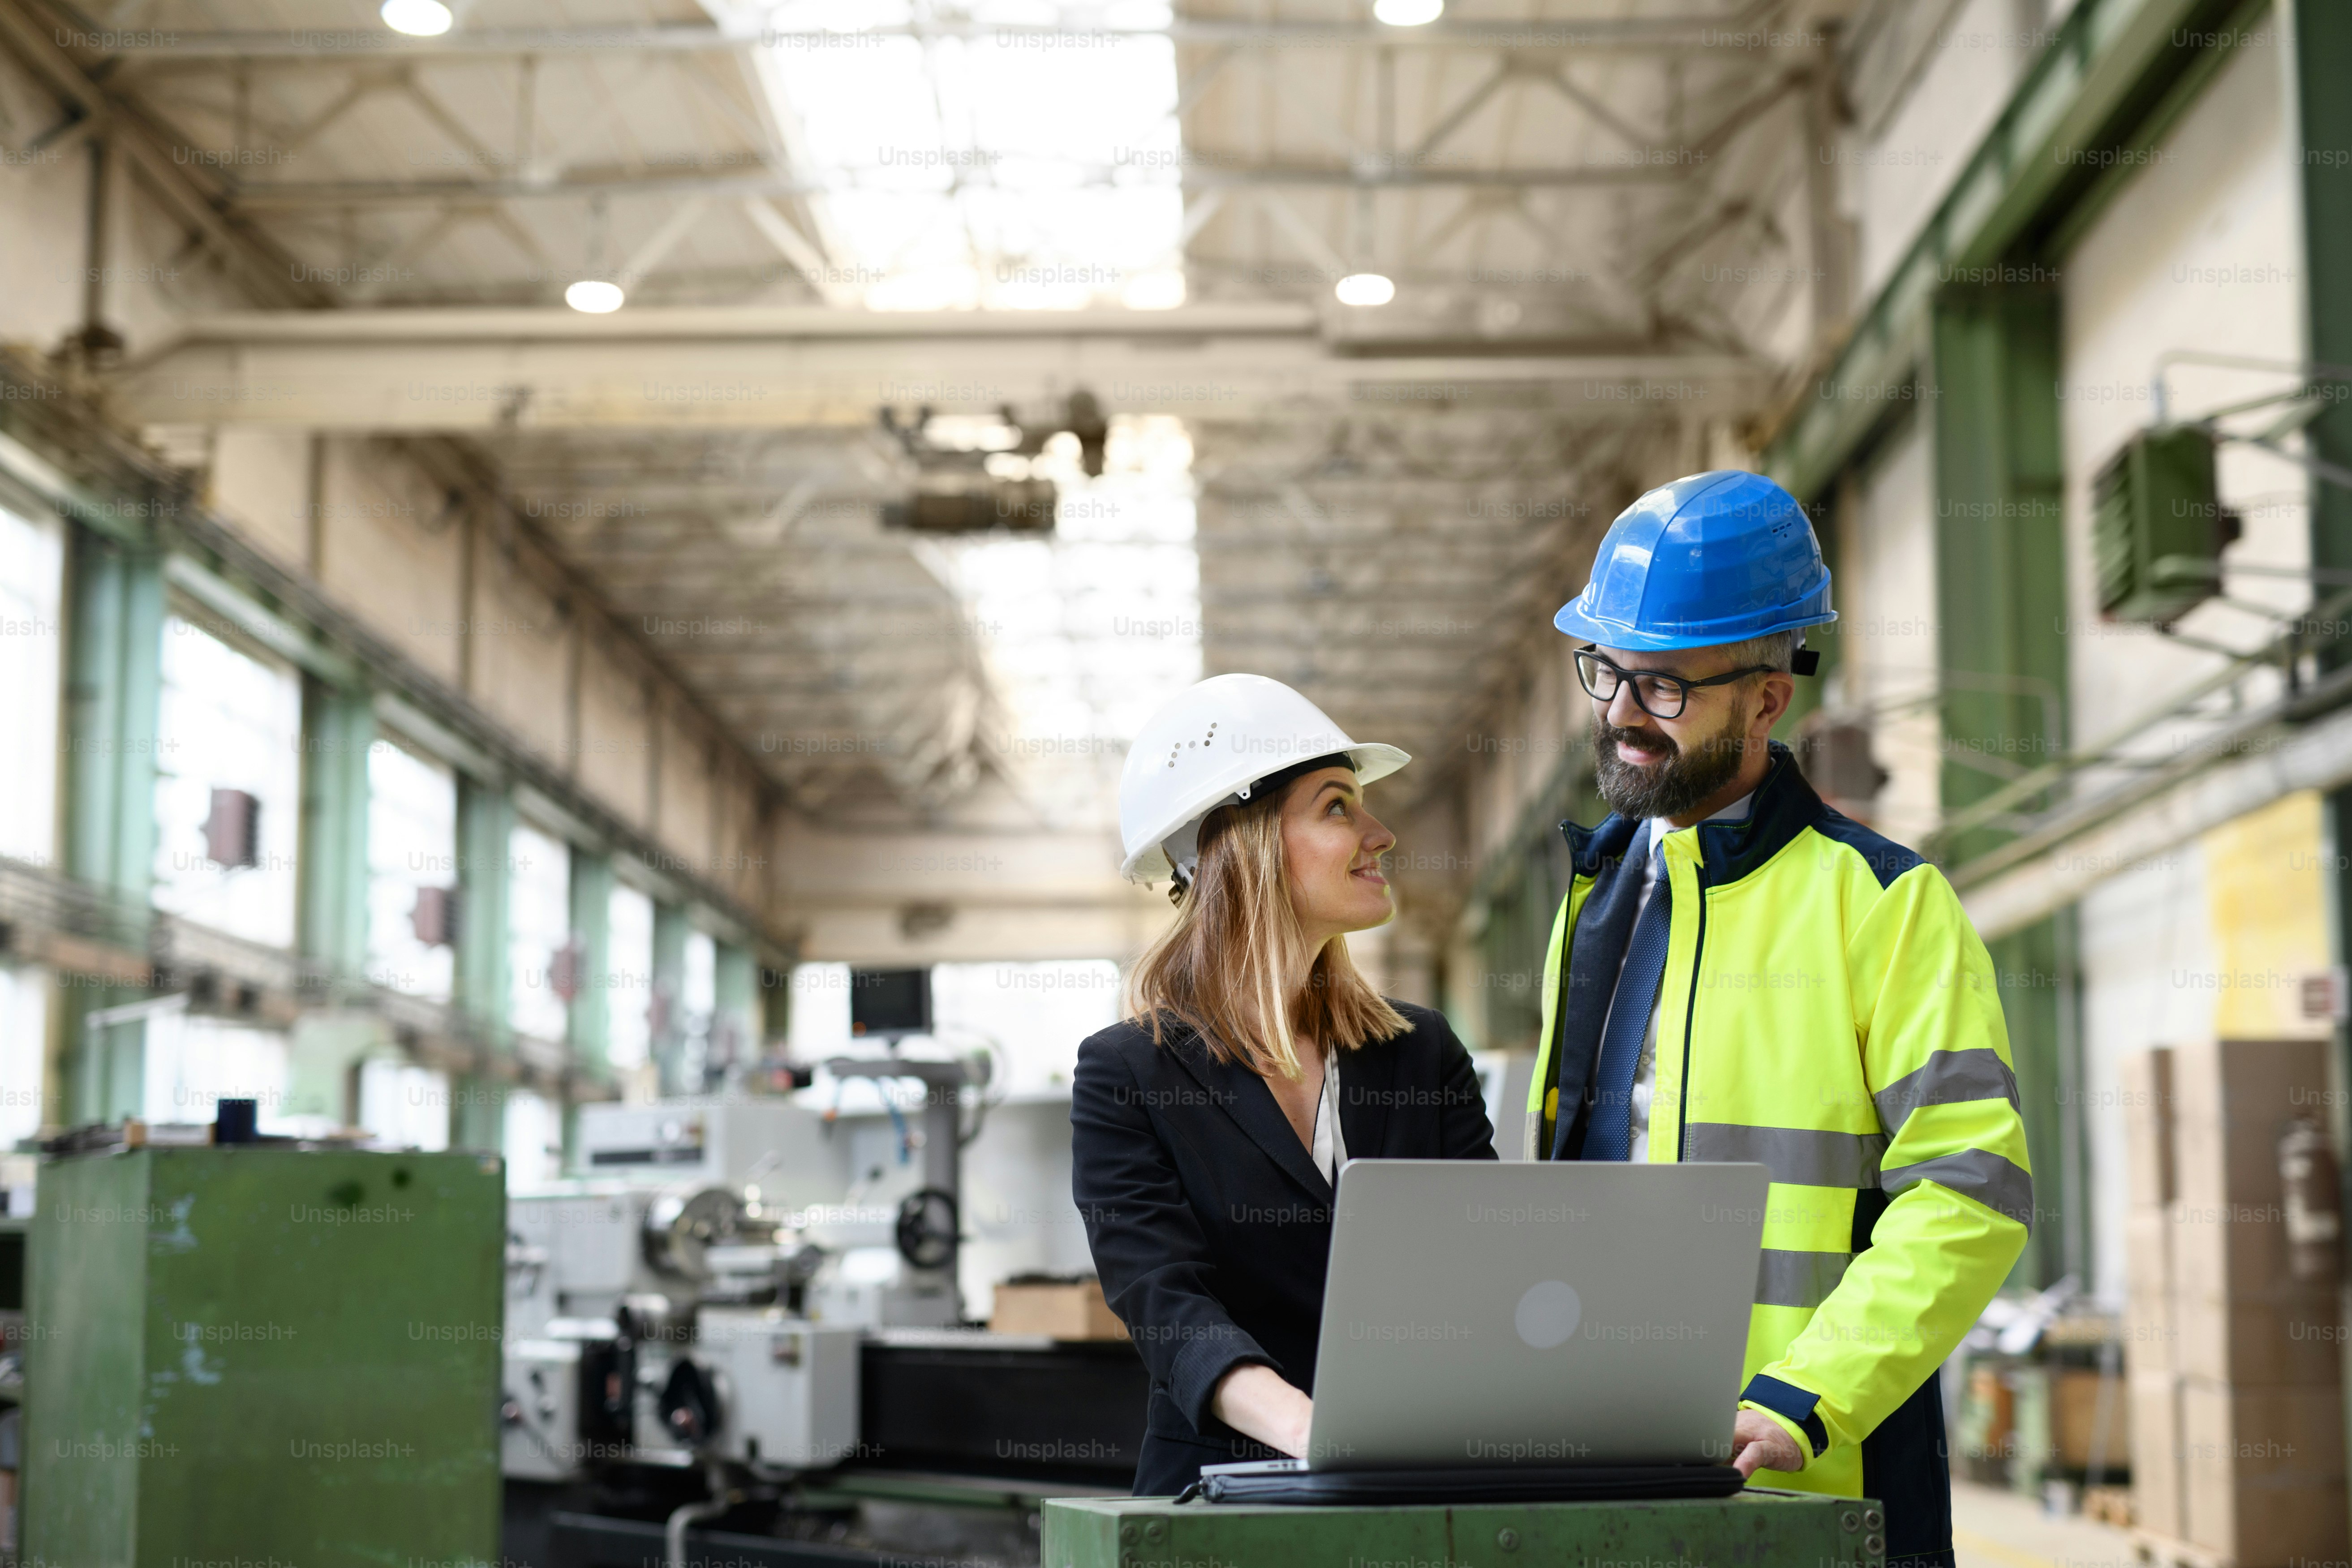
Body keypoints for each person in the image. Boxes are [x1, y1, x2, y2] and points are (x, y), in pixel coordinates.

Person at [1531, 470, 2030, 1568]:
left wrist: (1806, 1396)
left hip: (1812, 1475)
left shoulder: (1885, 905)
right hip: (1600, 1463)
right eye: (1606, 669)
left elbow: (1969, 1191)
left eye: (1665, 685)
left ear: (1767, 699)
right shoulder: (1592, 903)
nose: (1621, 712)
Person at [1071, 673, 1497, 1496]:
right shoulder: (1128, 1074)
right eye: (1338, 806)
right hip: (1219, 1499)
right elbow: (1167, 1305)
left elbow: (1482, 1274)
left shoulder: (1421, 1054)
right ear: (1248, 846)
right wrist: (1314, 1430)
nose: (1381, 835)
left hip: (1413, 1480)